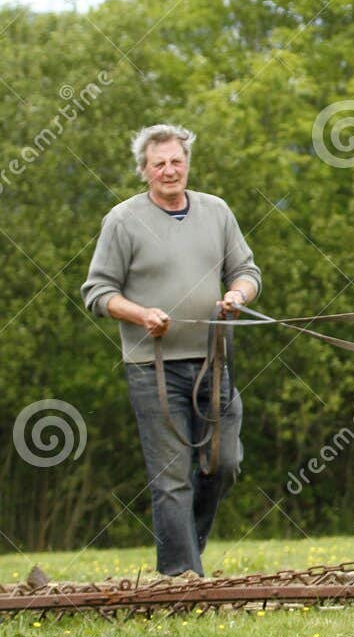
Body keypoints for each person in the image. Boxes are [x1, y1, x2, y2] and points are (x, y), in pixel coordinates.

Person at [81, 125, 262, 576]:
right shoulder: (122, 220)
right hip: (153, 366)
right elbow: (97, 292)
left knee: (224, 465)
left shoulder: (216, 212)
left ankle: (187, 554)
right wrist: (141, 314)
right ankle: (181, 577)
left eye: (176, 161)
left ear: (187, 164)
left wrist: (237, 296)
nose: (169, 170)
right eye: (158, 163)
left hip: (214, 362)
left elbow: (246, 271)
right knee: (171, 479)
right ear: (144, 171)